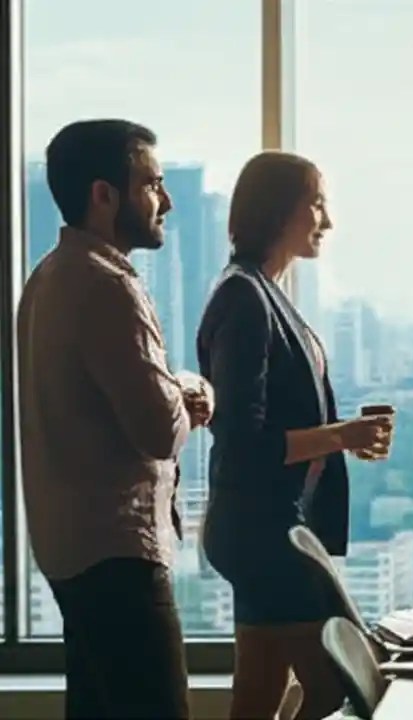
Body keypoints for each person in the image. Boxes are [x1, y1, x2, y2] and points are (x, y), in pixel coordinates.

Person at [17, 119, 213, 719]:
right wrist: (194, 390)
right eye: (152, 184)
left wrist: (171, 393)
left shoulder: (47, 278)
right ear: (105, 195)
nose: (168, 200)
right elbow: (159, 429)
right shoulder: (108, 287)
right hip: (119, 558)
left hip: (72, 552)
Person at [197, 151, 393, 719]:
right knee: (340, 687)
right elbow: (243, 442)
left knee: (257, 698)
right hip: (264, 532)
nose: (326, 221)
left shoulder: (264, 291)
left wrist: (341, 436)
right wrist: (340, 435)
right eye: (317, 203)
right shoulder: (244, 296)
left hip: (263, 527)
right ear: (281, 208)